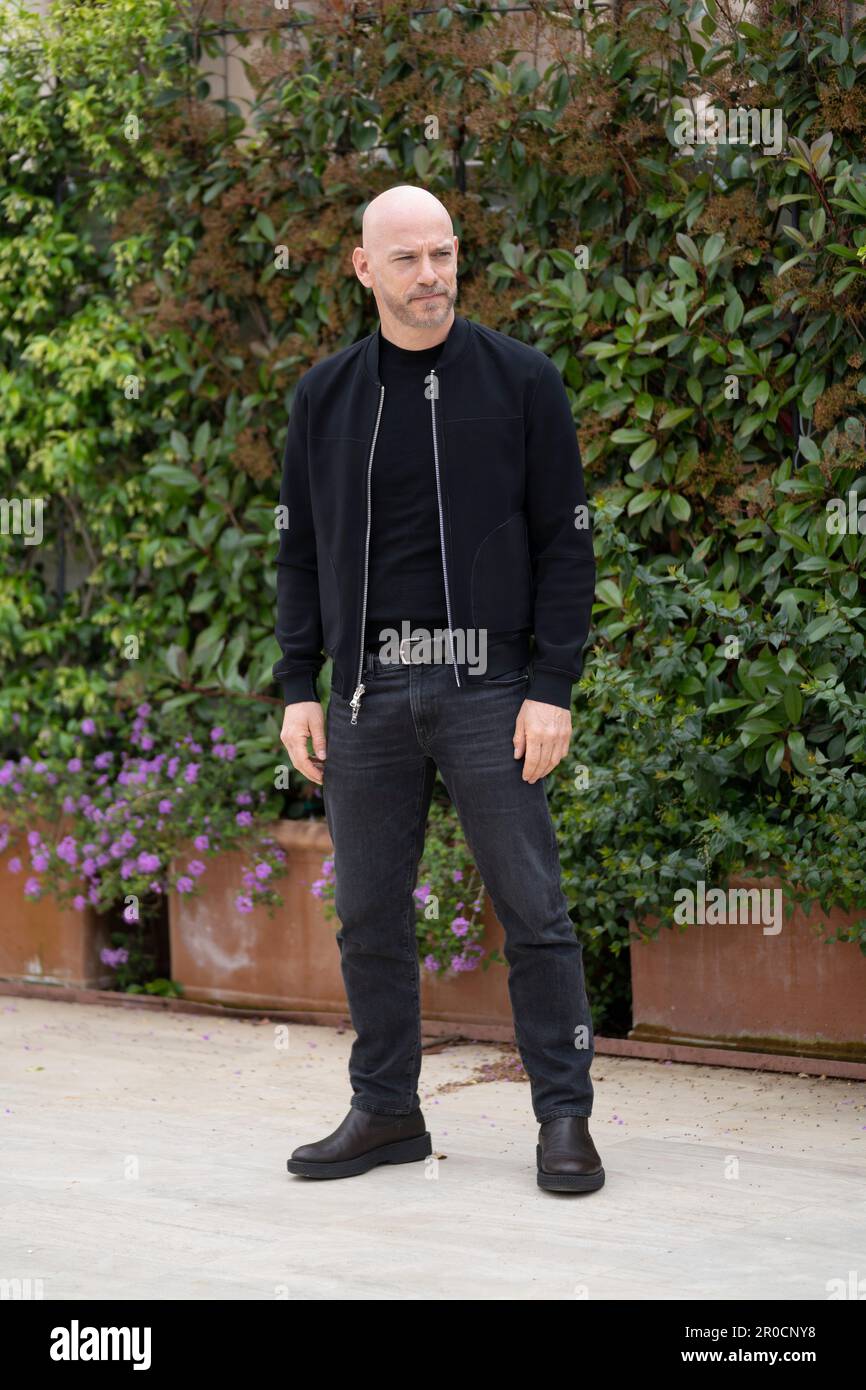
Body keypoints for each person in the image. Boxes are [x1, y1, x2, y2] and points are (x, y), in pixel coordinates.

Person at [275, 185, 602, 1192]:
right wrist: (298, 684)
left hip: (486, 687)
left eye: (444, 253)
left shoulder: (520, 381)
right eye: (408, 258)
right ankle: (384, 1112)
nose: (432, 274)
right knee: (368, 914)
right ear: (363, 270)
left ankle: (563, 1119)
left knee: (532, 909)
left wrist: (549, 686)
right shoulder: (323, 398)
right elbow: (297, 556)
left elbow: (566, 543)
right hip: (367, 693)